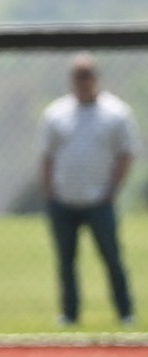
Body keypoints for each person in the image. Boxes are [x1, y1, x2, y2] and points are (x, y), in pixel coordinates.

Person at [40, 53, 139, 328]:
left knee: (111, 257)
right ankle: (70, 315)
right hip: (63, 199)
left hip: (99, 200)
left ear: (96, 78)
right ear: (71, 80)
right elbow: (47, 156)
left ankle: (125, 312)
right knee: (66, 261)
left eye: (87, 75)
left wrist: (112, 189)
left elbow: (127, 153)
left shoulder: (116, 113)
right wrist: (49, 191)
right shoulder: (56, 113)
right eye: (78, 76)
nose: (83, 81)